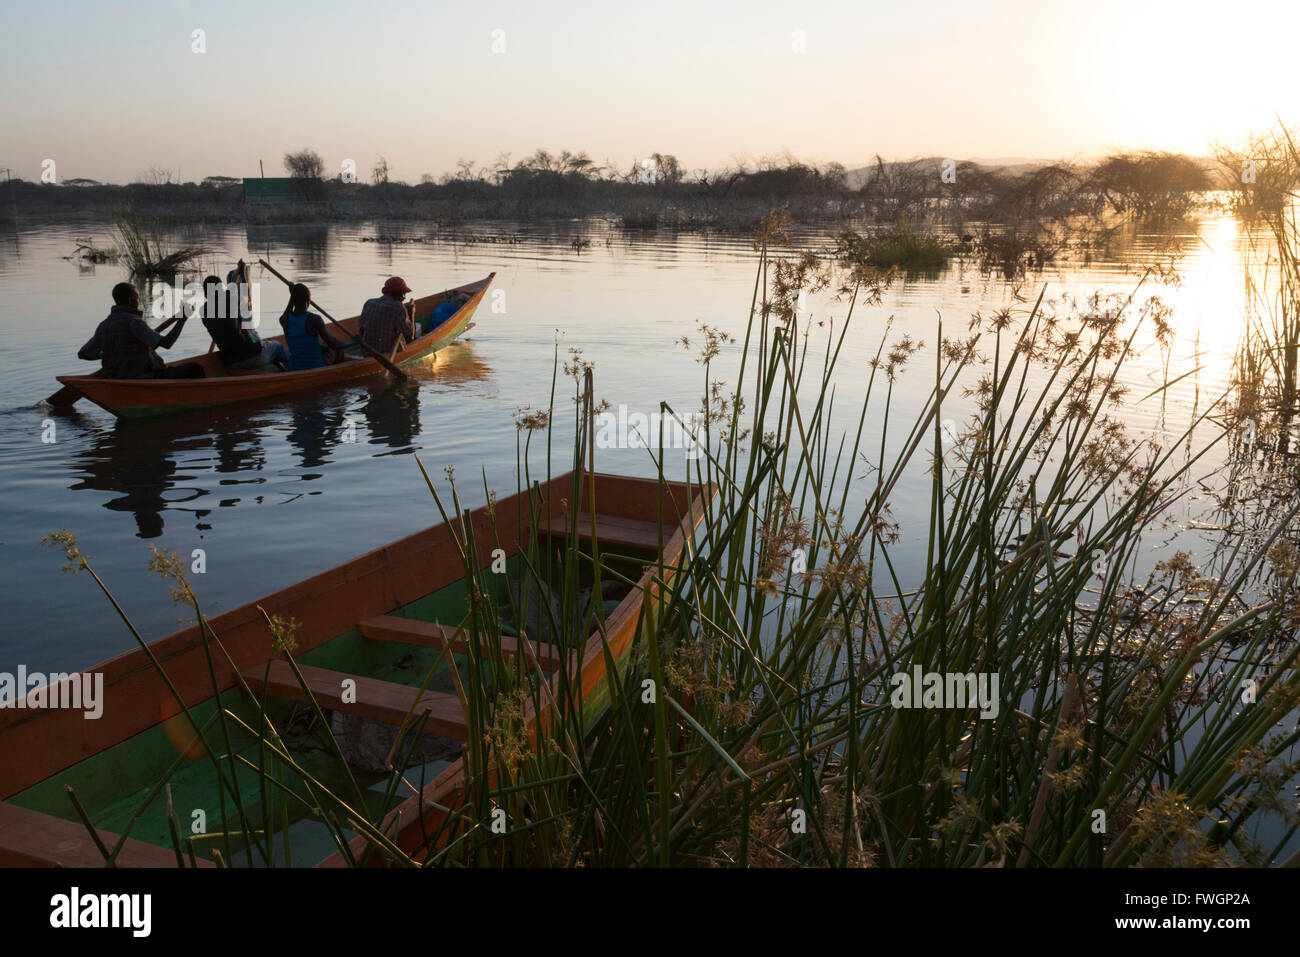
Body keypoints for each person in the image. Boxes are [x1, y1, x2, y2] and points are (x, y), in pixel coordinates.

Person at [78, 282, 204, 379]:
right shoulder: (134, 322)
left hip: (115, 378)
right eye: (137, 297)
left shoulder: (103, 325)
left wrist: (115, 353)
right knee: (196, 368)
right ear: (130, 300)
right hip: (144, 377)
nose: (139, 301)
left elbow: (84, 354)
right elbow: (167, 343)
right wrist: (182, 320)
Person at [199, 275, 289, 370]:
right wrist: (243, 276)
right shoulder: (232, 300)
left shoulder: (203, 311)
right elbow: (246, 297)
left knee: (253, 335)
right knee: (278, 346)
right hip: (253, 356)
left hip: (230, 362)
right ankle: (295, 371)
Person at [279, 283, 346, 371]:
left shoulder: (284, 320)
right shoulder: (314, 319)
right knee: (337, 348)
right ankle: (337, 375)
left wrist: (292, 295)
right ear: (308, 300)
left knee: (324, 346)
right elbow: (333, 344)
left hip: (294, 368)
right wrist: (353, 341)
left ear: (293, 300)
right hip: (316, 366)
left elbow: (287, 312)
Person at [358, 277, 415, 355]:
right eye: (404, 293)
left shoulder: (369, 302)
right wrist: (411, 314)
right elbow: (410, 337)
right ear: (398, 293)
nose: (405, 297)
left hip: (366, 351)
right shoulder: (398, 307)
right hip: (387, 353)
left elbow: (361, 330)